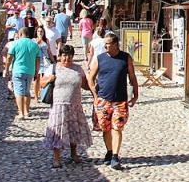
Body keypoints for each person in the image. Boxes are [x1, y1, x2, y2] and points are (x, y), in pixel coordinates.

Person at [87, 32, 139, 169]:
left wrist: (135, 95)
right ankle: (109, 152)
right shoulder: (100, 58)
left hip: (120, 100)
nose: (105, 46)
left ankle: (115, 156)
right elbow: (90, 77)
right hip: (104, 99)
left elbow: (132, 77)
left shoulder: (125, 58)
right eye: (105, 44)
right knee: (106, 128)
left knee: (117, 127)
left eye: (108, 44)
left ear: (116, 44)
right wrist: (95, 95)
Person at [40, 44, 92, 168]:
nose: (66, 58)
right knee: (58, 132)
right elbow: (41, 83)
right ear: (60, 56)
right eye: (64, 56)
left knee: (73, 129)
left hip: (75, 105)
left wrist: (96, 87)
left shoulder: (78, 69)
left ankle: (74, 154)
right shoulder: (53, 68)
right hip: (59, 105)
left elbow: (85, 85)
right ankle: (57, 158)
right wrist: (49, 80)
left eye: (69, 56)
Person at [5, 27, 40, 119]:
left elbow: (9, 57)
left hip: (18, 70)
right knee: (27, 91)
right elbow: (38, 59)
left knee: (18, 92)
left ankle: (21, 113)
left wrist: (7, 68)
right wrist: (37, 71)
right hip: (30, 71)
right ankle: (27, 111)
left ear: (20, 34)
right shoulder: (34, 44)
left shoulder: (15, 43)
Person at [34, 25, 54, 101]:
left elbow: (49, 51)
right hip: (37, 61)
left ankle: (43, 93)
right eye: (38, 31)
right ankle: (36, 95)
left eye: (41, 31)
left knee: (45, 78)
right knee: (37, 79)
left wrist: (53, 61)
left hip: (45, 61)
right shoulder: (33, 40)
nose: (40, 33)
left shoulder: (46, 40)